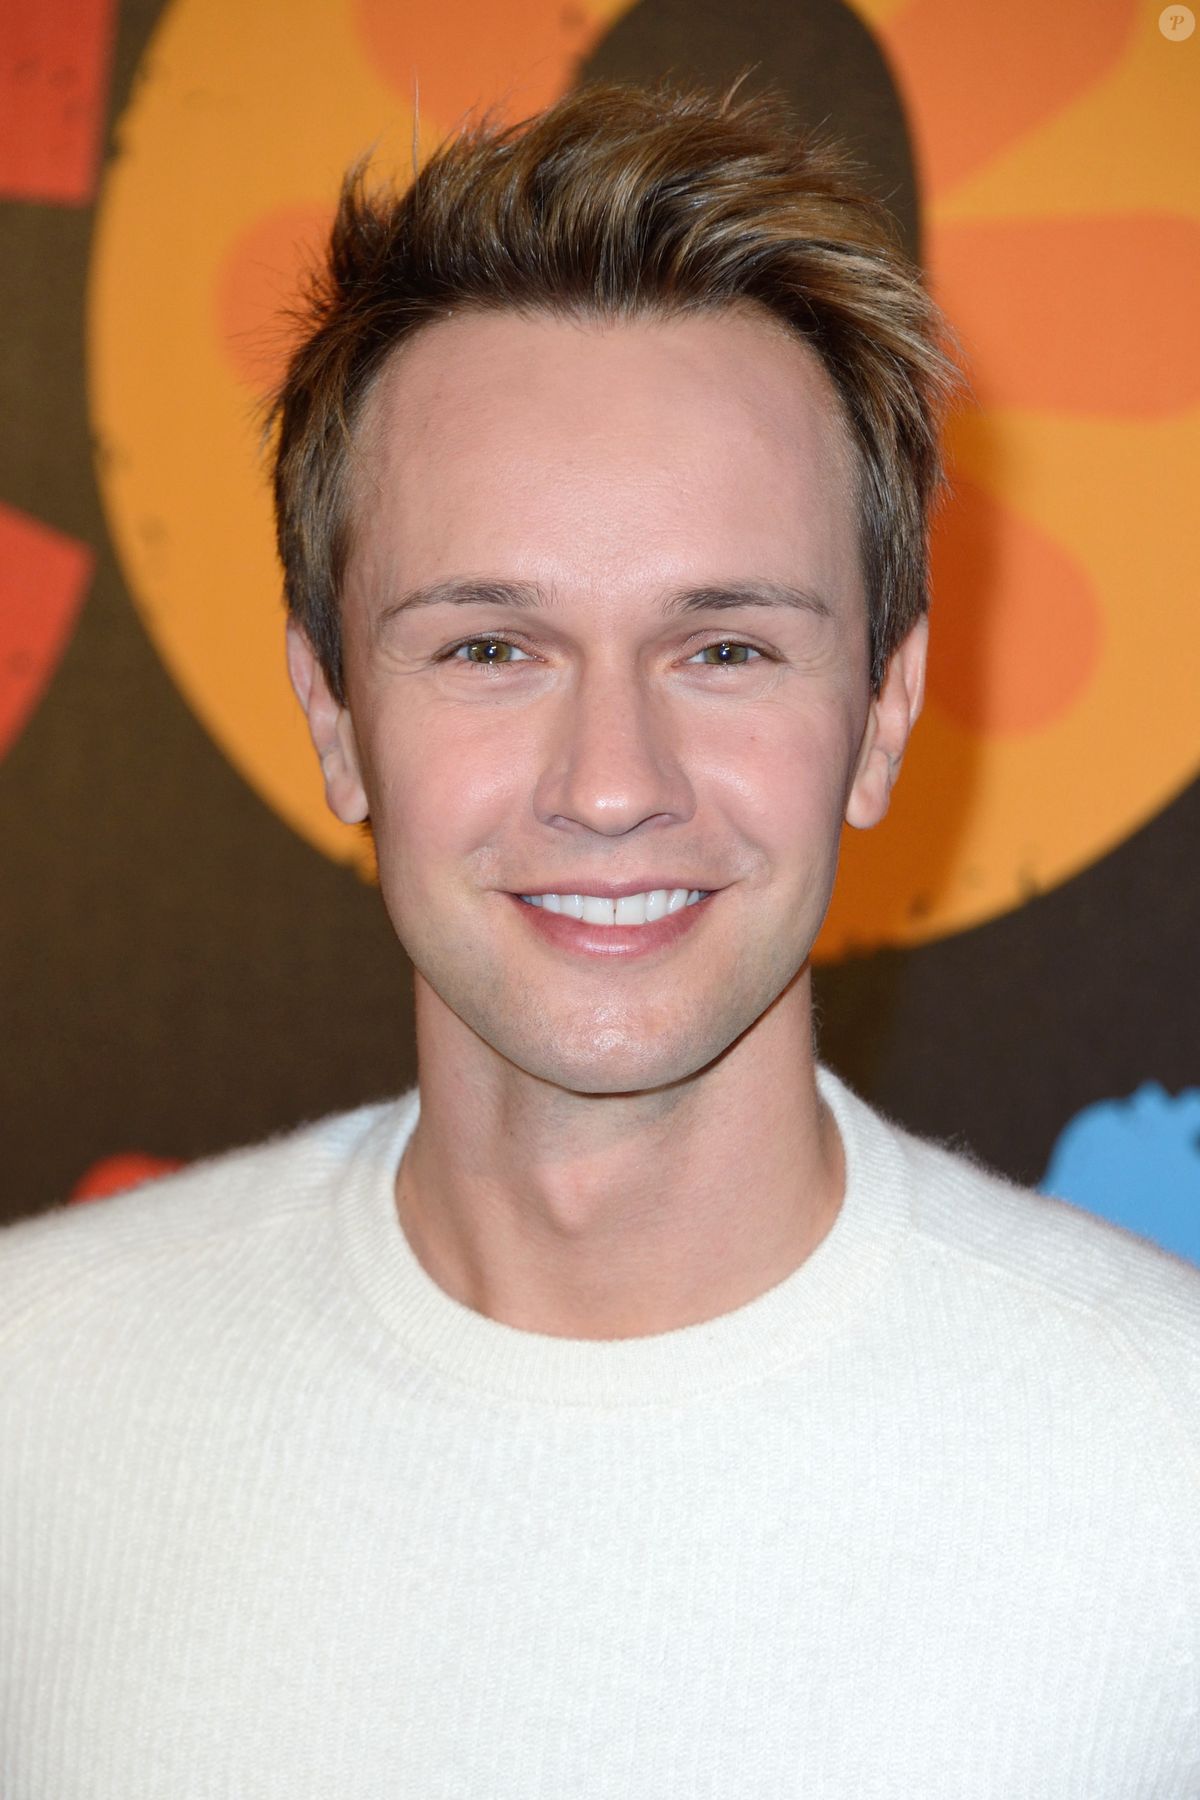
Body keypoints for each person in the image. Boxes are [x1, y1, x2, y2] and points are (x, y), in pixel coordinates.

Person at [3, 81, 1198, 1799]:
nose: (613, 784)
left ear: (883, 711)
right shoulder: (31, 1405)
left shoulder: (1169, 1466)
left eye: (726, 649)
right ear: (334, 713)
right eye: (491, 649)